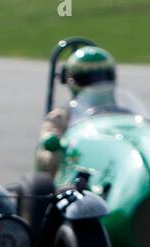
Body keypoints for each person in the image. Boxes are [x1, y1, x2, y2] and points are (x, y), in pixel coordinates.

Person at [35, 45, 117, 174]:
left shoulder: (121, 113)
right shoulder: (61, 117)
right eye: (87, 79)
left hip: (111, 170)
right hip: (75, 175)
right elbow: (46, 153)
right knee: (49, 155)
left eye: (102, 78)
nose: (96, 85)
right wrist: (55, 142)